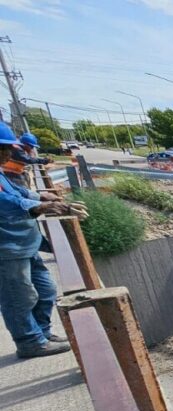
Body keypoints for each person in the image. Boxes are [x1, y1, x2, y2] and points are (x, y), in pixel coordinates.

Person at [0, 121, 79, 358]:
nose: (8, 153)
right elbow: (7, 204)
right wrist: (38, 206)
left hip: (25, 243)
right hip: (7, 249)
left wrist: (40, 195)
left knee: (45, 290)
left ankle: (42, 333)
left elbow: (17, 192)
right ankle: (29, 341)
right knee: (19, 297)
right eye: (3, 148)